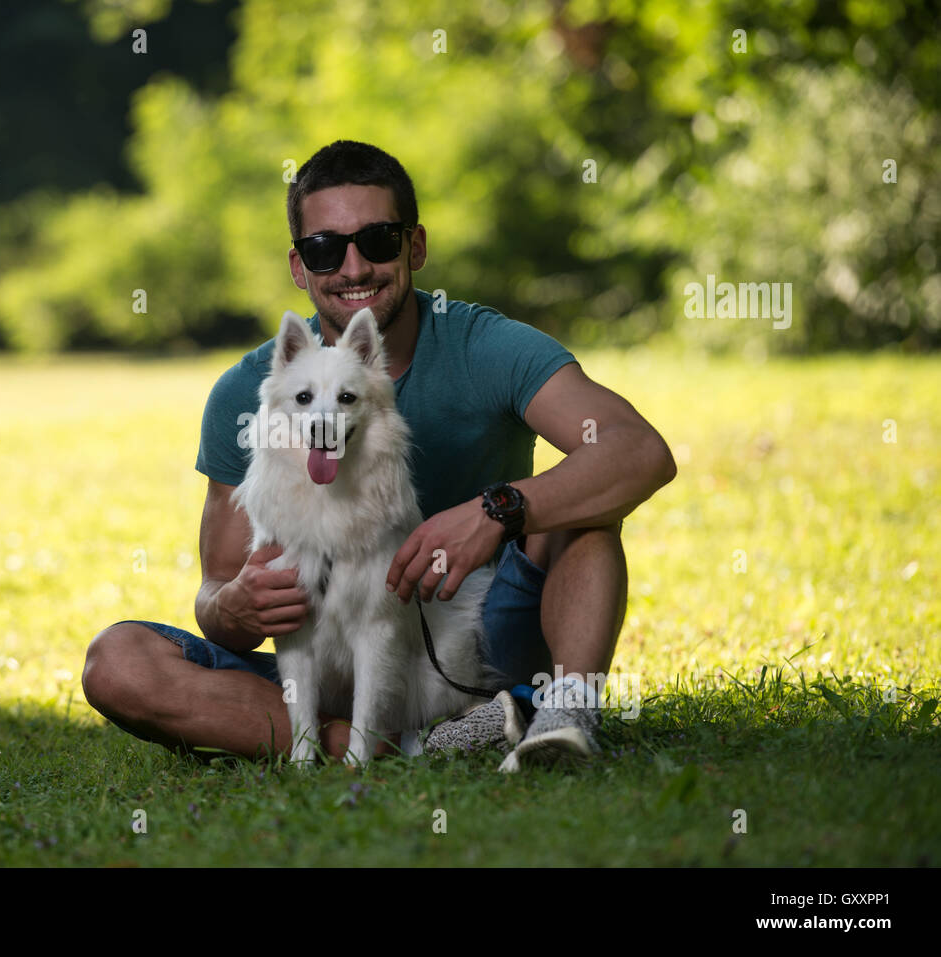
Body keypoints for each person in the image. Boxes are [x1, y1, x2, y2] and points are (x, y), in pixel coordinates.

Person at [82, 140, 676, 771]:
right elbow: (217, 598)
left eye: (379, 239)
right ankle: (392, 745)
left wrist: (497, 510)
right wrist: (233, 604)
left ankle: (563, 711)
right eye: (325, 248)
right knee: (117, 662)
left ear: (414, 247)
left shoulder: (488, 346)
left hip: (477, 631)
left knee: (586, 500)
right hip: (323, 657)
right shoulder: (251, 390)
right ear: (298, 264)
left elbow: (637, 450)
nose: (355, 267)